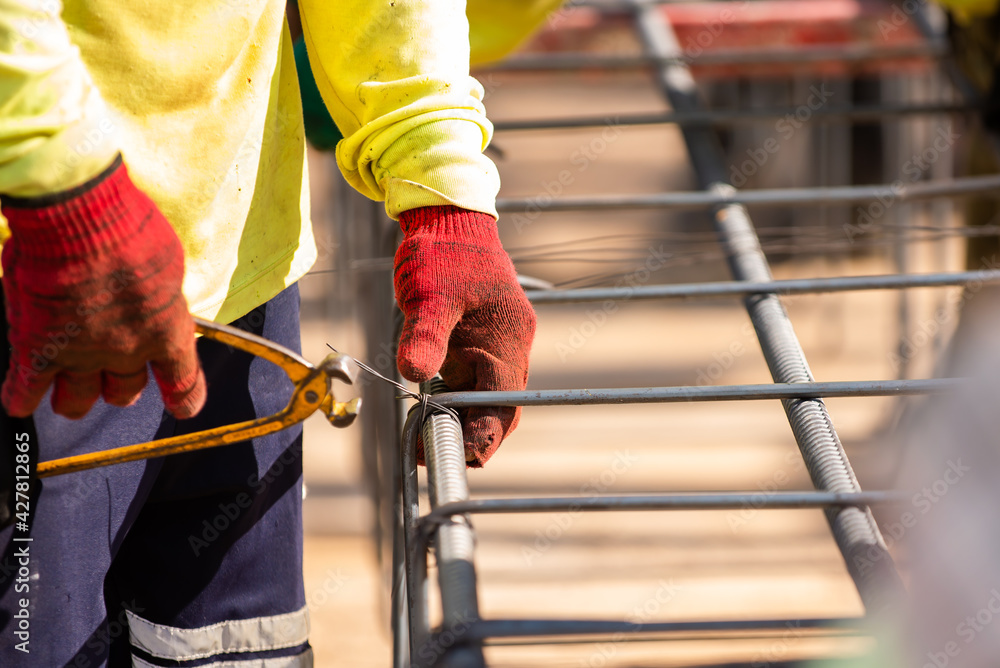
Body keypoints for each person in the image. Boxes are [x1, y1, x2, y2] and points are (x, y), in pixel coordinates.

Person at [0, 1, 546, 665]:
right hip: (41, 291)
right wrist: (62, 194)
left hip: (246, 279)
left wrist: (443, 191)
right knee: (35, 641)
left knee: (239, 648)